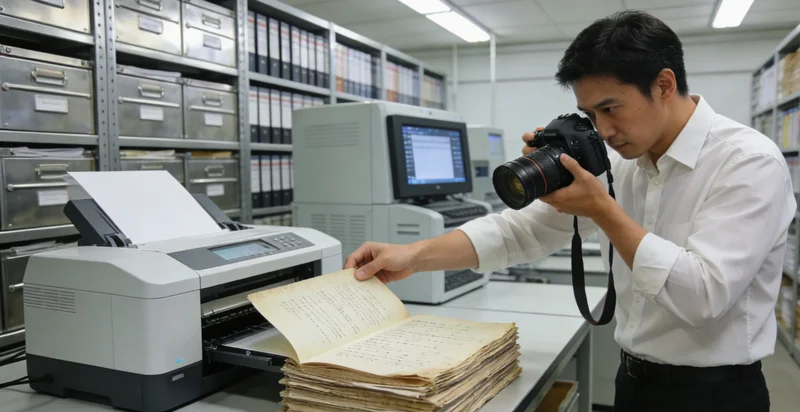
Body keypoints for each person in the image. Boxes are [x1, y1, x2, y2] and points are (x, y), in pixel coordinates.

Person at [343, 10, 795, 412]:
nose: (603, 130)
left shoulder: (747, 162)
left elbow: (704, 296)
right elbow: (520, 231)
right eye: (589, 114)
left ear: (663, 84)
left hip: (714, 396)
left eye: (610, 108)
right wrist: (413, 255)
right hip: (633, 382)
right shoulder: (621, 159)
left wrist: (602, 209)